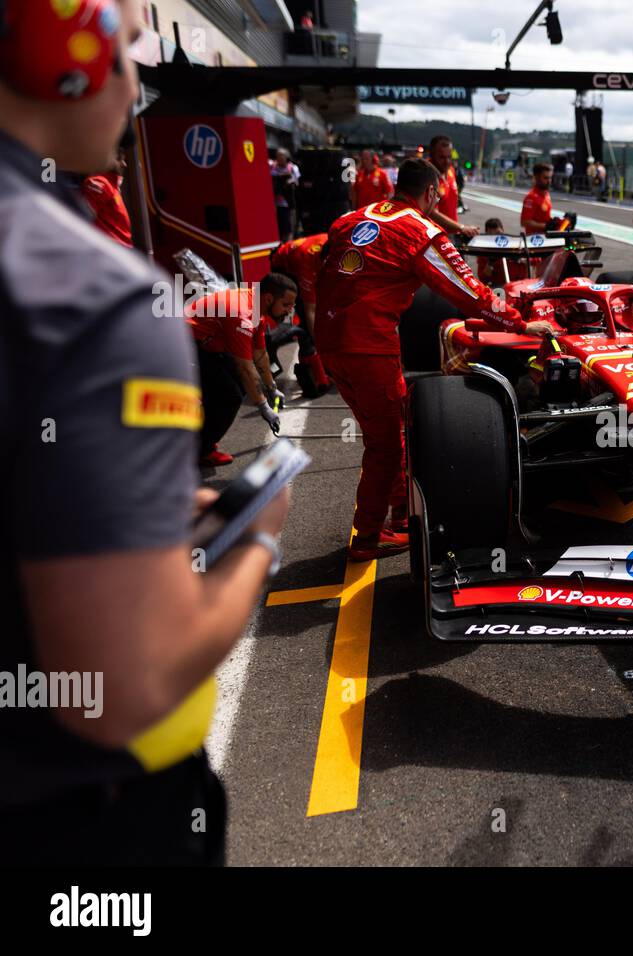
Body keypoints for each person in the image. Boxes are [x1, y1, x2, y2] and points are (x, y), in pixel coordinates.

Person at [0, 0, 289, 865]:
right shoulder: (96, 299)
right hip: (78, 825)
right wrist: (256, 544)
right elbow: (121, 688)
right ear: (66, 56)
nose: (134, 87)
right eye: (128, 53)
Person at [315, 160, 551, 561]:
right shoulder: (420, 230)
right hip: (368, 345)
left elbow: (324, 273)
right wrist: (520, 323)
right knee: (386, 444)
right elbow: (468, 291)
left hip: (330, 338)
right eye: (437, 196)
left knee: (387, 431)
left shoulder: (349, 219)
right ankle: (368, 537)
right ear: (429, 193)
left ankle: (400, 517)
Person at [187, 277, 296, 465]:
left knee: (237, 386)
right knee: (230, 396)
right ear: (269, 299)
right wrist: (263, 406)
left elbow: (260, 354)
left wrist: (271, 387)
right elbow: (245, 367)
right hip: (184, 345)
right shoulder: (242, 314)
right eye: (286, 305)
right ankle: (201, 451)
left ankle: (197, 438)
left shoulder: (256, 306)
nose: (289, 311)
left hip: (206, 345)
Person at [269, 232, 332, 395]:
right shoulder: (307, 265)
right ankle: (311, 369)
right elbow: (310, 310)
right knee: (306, 323)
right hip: (284, 265)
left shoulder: (335, 243)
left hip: (302, 254)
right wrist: (320, 344)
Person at [79, 146, 132, 247]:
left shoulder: (111, 184)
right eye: (119, 159)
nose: (124, 164)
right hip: (113, 247)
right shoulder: (99, 182)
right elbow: (84, 219)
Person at [426, 134, 477, 239]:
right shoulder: (425, 174)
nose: (447, 161)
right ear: (431, 154)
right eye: (441, 157)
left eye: (449, 157)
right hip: (434, 237)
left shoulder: (450, 170)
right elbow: (432, 213)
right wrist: (461, 227)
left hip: (451, 233)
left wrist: (457, 228)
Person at [269, 148, 299, 241]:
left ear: (286, 157)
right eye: (277, 156)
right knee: (278, 229)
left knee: (288, 228)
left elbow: (296, 182)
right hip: (273, 203)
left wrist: (290, 181)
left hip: (286, 203)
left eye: (281, 156)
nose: (279, 158)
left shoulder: (292, 168)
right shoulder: (271, 166)